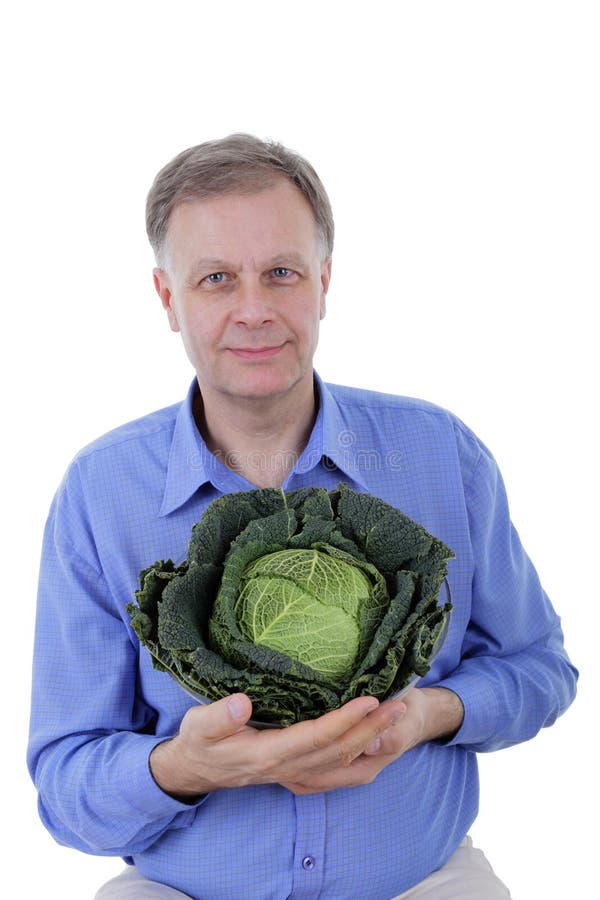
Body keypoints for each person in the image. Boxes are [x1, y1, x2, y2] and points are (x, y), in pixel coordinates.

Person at [28, 134, 577, 900]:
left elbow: (541, 669)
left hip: (425, 882)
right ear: (167, 299)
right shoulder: (99, 493)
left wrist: (429, 714)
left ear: (323, 282)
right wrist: (187, 768)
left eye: (280, 273)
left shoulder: (442, 456)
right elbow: (63, 785)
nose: (254, 310)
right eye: (216, 279)